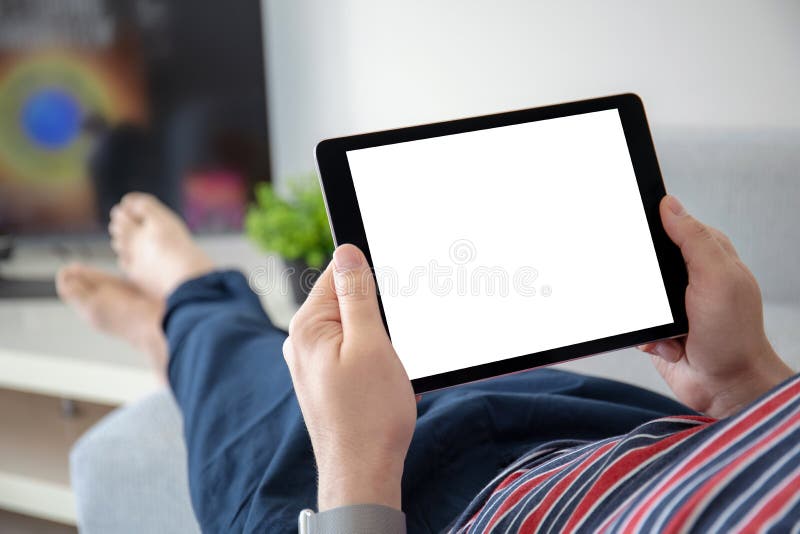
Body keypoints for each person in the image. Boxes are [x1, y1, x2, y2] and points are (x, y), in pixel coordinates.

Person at [57, 192, 798, 532]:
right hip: (628, 437)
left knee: (266, 415)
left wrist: (356, 470)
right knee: (347, 362)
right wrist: (746, 383)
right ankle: (186, 334)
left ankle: (187, 307)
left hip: (430, 511)